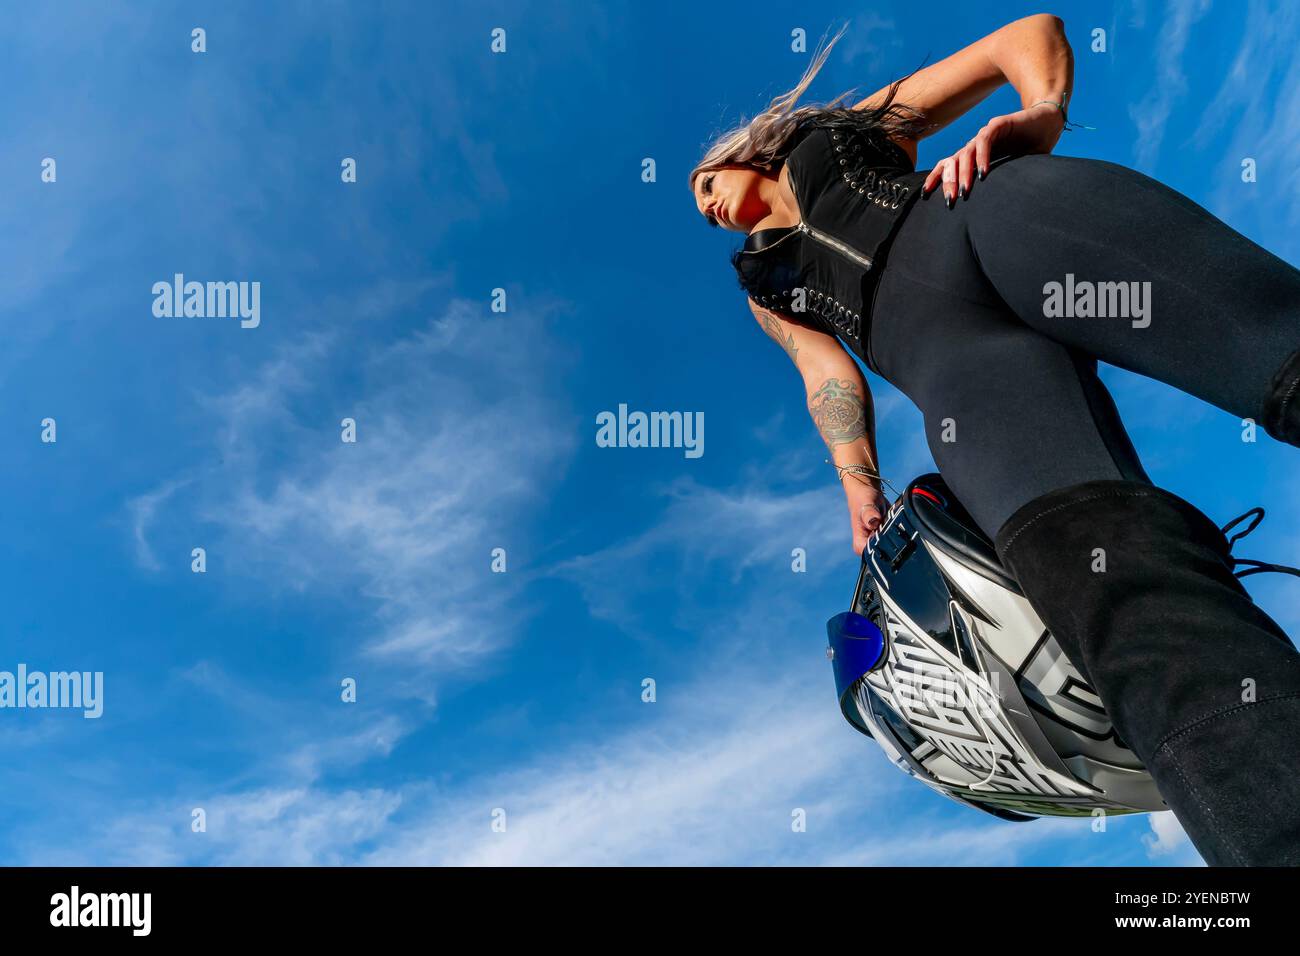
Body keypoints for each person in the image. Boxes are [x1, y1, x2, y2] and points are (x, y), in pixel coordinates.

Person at [689, 14, 1300, 866]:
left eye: (703, 186)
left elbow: (1022, 35)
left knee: (1282, 357)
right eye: (702, 212)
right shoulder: (764, 285)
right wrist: (857, 484)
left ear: (735, 156)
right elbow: (826, 379)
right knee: (1113, 599)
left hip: (1003, 219)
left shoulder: (840, 131)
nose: (708, 209)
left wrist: (1041, 114)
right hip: (961, 374)